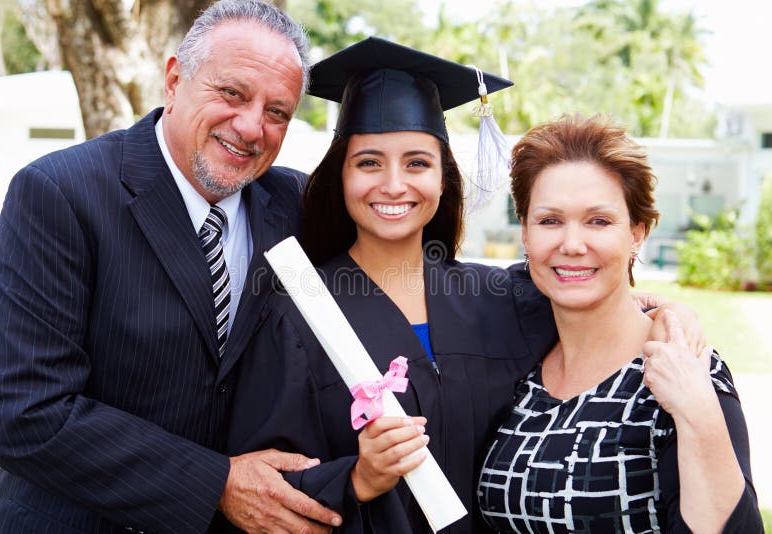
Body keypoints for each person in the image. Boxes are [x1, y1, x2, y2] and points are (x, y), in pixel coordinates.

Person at [222, 39, 698, 533]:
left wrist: (669, 313)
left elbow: (597, 302)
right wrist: (358, 479)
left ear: (444, 177)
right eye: (367, 162)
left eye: (417, 163)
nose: (392, 184)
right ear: (340, 176)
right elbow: (261, 496)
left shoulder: (507, 300)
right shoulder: (295, 315)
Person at [0, 1, 342, 532]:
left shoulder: (294, 205)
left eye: (277, 111)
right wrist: (216, 484)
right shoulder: (61, 194)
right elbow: (26, 414)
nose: (251, 126)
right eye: (232, 93)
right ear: (174, 80)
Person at [477, 115, 763, 533]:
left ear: (637, 234)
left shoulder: (681, 370)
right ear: (525, 233)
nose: (572, 245)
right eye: (549, 220)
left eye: (599, 221)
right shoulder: (518, 365)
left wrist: (696, 407)